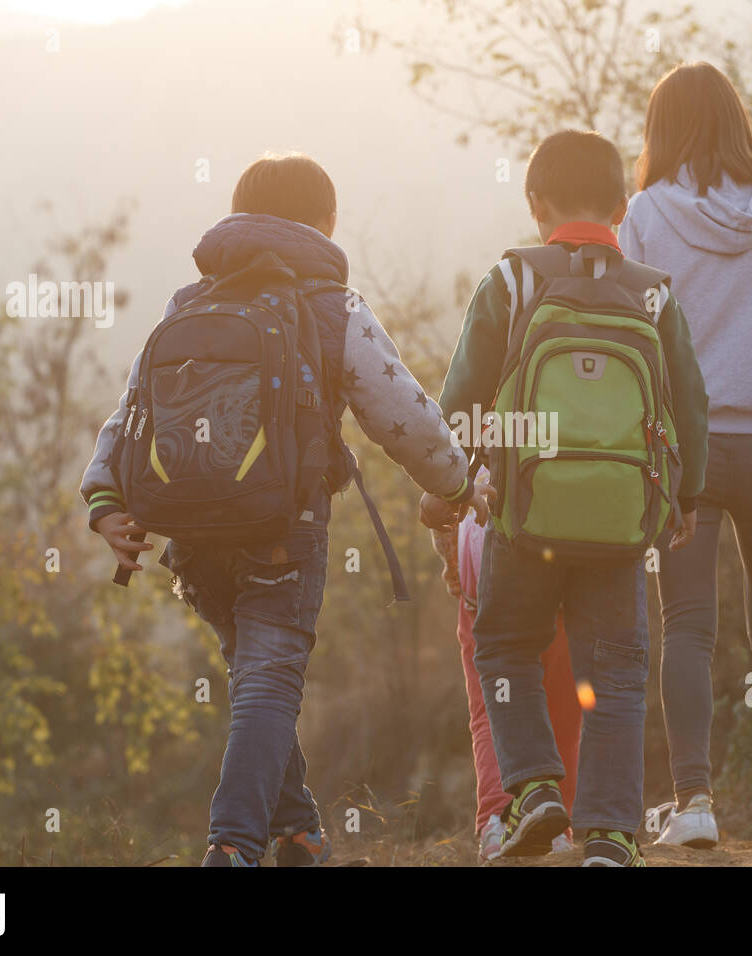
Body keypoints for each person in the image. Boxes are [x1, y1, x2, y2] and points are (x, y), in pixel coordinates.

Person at [80, 152, 488, 867]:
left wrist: (106, 501)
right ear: (326, 223)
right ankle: (233, 846)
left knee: (257, 688)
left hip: (194, 542)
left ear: (238, 218)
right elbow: (404, 417)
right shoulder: (333, 306)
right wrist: (456, 485)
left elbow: (130, 409)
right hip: (281, 534)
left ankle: (298, 834)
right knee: (268, 686)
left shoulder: (190, 303)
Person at [423, 129, 710, 867]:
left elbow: (458, 403)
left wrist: (454, 490)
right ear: (622, 205)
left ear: (534, 203)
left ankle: (535, 788)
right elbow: (690, 404)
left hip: (524, 519)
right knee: (614, 672)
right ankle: (612, 834)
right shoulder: (653, 291)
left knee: (505, 647)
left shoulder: (513, 279)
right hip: (622, 527)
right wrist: (685, 498)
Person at [620, 62, 752, 847]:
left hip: (688, 452)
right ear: (738, 121)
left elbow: (637, 342)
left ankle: (695, 806)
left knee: (686, 626)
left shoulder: (644, 214)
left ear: (661, 131)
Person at [429, 467, 582, 862]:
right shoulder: (579, 409)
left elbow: (444, 476)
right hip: (563, 578)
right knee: (562, 712)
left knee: (489, 708)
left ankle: (498, 821)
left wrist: (452, 569)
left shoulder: (470, 409)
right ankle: (557, 829)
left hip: (484, 582)